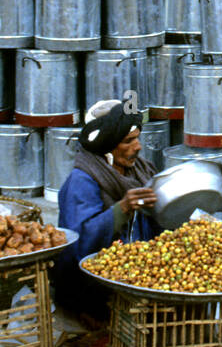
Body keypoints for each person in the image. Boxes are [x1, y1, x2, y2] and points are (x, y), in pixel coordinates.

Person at [53, 99, 160, 327]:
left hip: (137, 267)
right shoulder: (81, 181)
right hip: (91, 281)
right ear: (107, 144)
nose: (138, 146)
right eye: (128, 141)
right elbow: (78, 243)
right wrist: (122, 209)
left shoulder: (142, 170)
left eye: (138, 138)